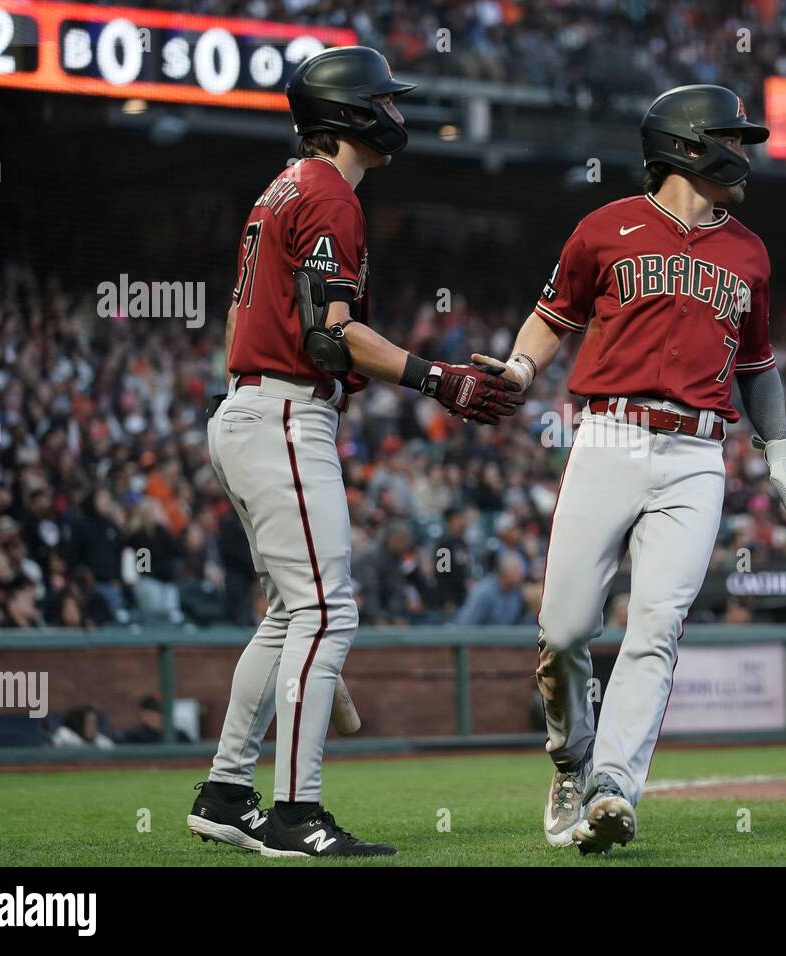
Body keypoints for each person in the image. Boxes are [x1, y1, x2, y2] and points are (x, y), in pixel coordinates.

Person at [186, 45, 523, 860]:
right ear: (349, 113)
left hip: (248, 406)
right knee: (329, 612)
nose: (396, 114)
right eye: (384, 101)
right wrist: (436, 378)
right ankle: (299, 815)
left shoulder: (280, 190)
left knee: (288, 619)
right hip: (285, 413)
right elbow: (331, 336)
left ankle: (228, 792)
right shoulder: (331, 193)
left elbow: (244, 330)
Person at [472, 85, 786, 854]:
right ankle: (570, 760)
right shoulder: (604, 228)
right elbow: (552, 317)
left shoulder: (749, 251)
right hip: (609, 438)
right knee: (562, 632)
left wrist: (781, 442)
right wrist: (522, 371)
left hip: (698, 454)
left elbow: (758, 365)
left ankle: (612, 789)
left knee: (655, 628)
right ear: (690, 146)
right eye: (733, 137)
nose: (746, 152)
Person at [453, 551, 527, 625]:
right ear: (505, 572)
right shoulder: (485, 592)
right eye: (517, 570)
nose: (521, 573)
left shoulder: (517, 591)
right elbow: (465, 624)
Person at [118, 694, 193, 744]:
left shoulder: (180, 736)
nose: (158, 717)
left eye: (162, 713)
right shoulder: (133, 736)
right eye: (153, 713)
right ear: (143, 714)